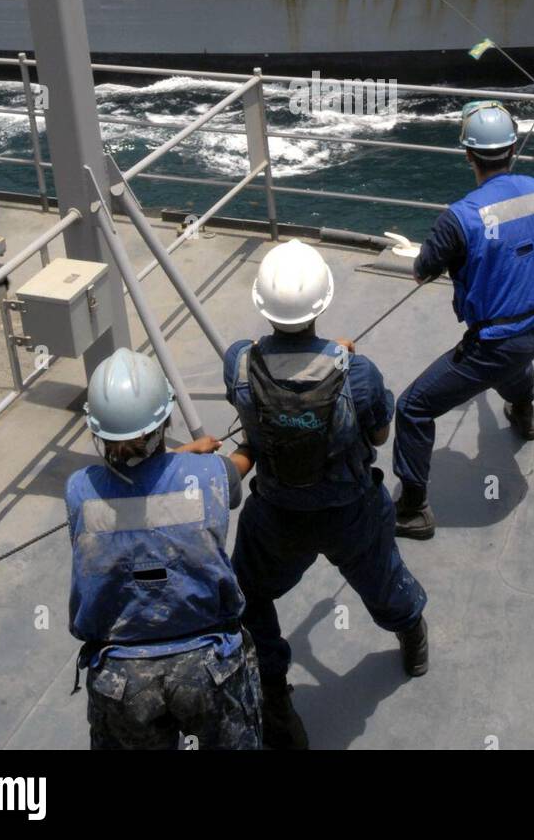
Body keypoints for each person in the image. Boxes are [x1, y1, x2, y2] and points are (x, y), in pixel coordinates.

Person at [225, 239, 428, 751]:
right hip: (350, 510)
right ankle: (411, 635)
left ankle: (273, 693)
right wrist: (339, 359)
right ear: (323, 302)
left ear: (262, 305)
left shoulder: (238, 365)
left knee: (247, 595)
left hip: (277, 512)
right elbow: (379, 436)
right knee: (382, 578)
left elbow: (255, 395)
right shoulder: (357, 373)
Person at [65, 348, 261, 751]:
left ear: (98, 433)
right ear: (166, 416)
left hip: (121, 676)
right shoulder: (210, 475)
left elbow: (133, 488)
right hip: (208, 666)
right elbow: (241, 463)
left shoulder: (79, 490)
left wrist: (177, 459)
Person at [393, 102, 534, 541]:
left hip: (495, 343)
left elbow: (422, 268)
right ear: (510, 150)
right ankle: (522, 413)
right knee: (513, 357)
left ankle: (412, 510)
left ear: (468, 155)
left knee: (411, 409)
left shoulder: (459, 217)